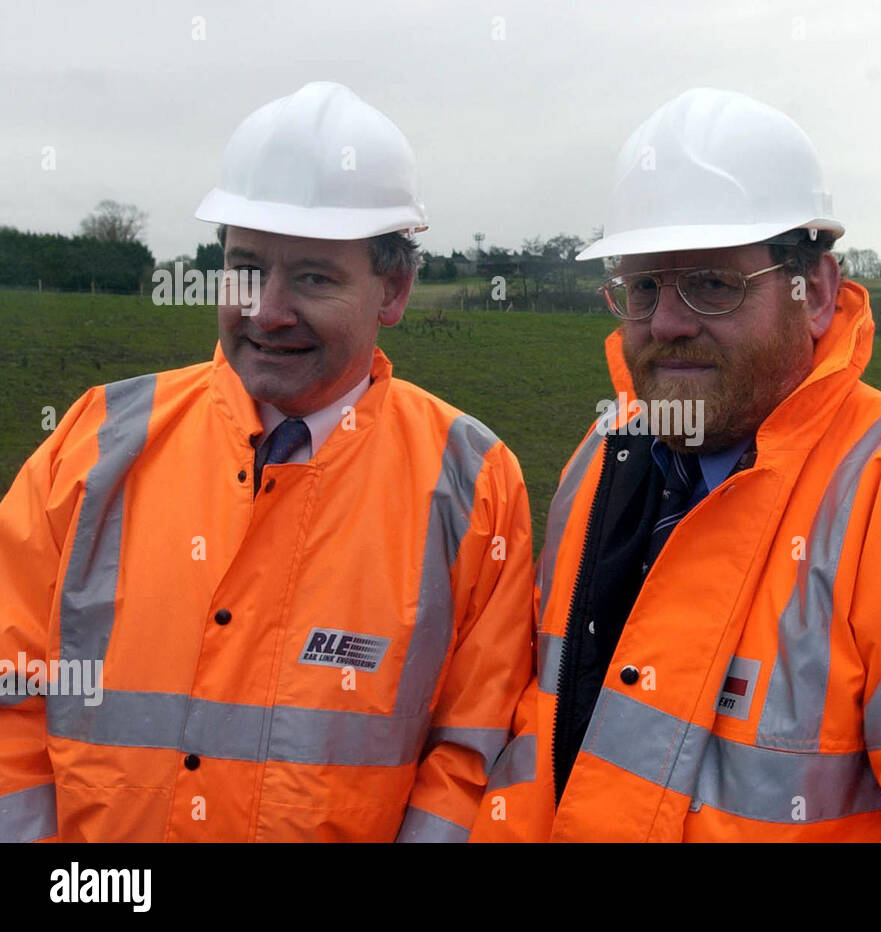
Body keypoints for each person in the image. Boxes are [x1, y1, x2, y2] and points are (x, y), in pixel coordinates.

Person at [473, 88, 881, 841]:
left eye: (711, 284)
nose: (668, 322)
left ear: (813, 292)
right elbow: (539, 740)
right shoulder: (602, 461)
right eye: (643, 287)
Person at [0, 82, 533, 842]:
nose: (267, 309)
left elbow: (472, 761)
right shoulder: (94, 440)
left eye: (314, 276)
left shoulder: (473, 482)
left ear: (395, 288)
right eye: (246, 267)